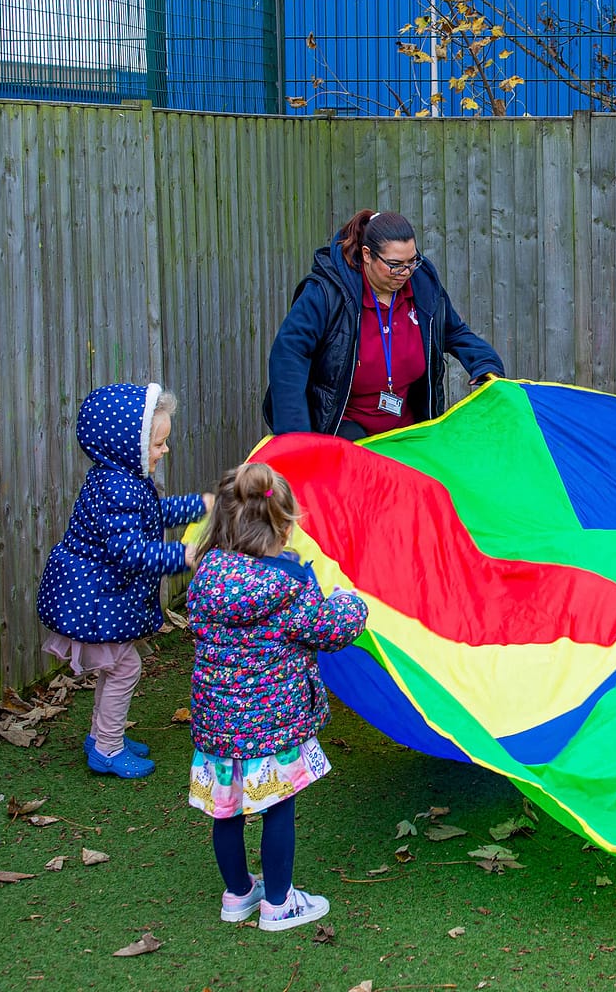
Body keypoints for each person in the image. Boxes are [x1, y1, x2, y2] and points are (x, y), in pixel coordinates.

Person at [186, 462, 368, 932]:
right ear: (284, 528)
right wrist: (351, 603)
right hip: (273, 726)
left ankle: (238, 894)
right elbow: (329, 630)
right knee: (278, 808)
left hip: (218, 727)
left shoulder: (205, 578)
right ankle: (279, 903)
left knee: (225, 812)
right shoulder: (288, 590)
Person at [36, 383, 212, 779]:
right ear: (125, 445)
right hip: (95, 597)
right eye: (158, 444)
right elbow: (130, 553)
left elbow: (152, 513)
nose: (165, 450)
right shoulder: (119, 487)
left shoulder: (122, 477)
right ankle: (107, 748)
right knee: (124, 667)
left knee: (116, 666)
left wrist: (198, 505)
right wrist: (184, 556)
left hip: (101, 592)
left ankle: (102, 736)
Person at [264, 209, 505, 440]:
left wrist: (485, 362)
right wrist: (296, 437)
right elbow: (289, 354)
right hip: (342, 427)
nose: (405, 272)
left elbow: (453, 331)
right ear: (367, 255)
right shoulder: (326, 293)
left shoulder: (423, 286)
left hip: (405, 431)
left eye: (412, 261)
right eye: (395, 264)